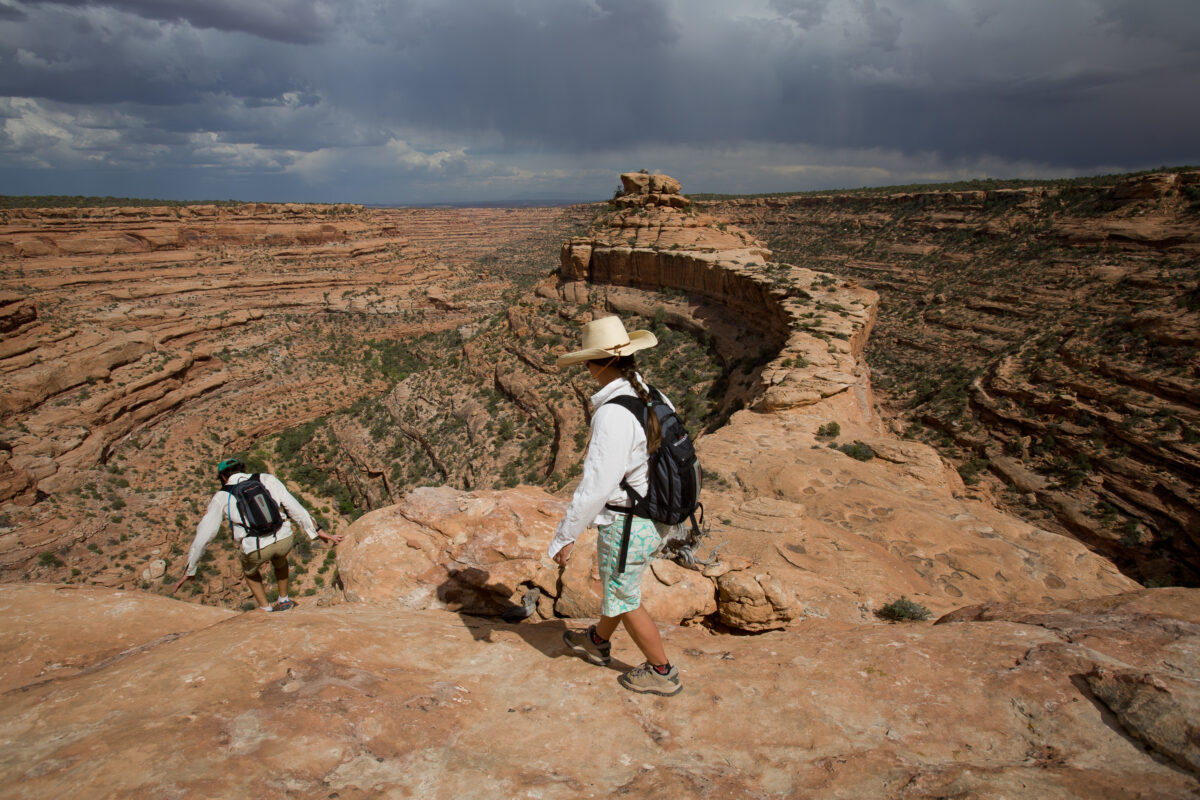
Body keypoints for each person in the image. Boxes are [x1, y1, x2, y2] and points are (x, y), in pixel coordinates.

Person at [549, 315, 683, 696]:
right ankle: (597, 642)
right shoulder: (652, 394)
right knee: (619, 587)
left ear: (599, 365)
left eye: (586, 363)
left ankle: (662, 671)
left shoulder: (612, 414)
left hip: (628, 524)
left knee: (624, 597)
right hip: (655, 515)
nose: (586, 370)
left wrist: (565, 536)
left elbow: (596, 487)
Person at [172, 458, 342, 611]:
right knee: (280, 560)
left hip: (256, 548)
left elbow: (205, 534)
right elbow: (294, 507)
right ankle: (284, 600)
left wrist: (191, 568)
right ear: (242, 469)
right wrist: (318, 530)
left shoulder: (222, 496)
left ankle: (265, 608)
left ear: (223, 477)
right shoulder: (266, 479)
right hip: (283, 538)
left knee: (250, 572)